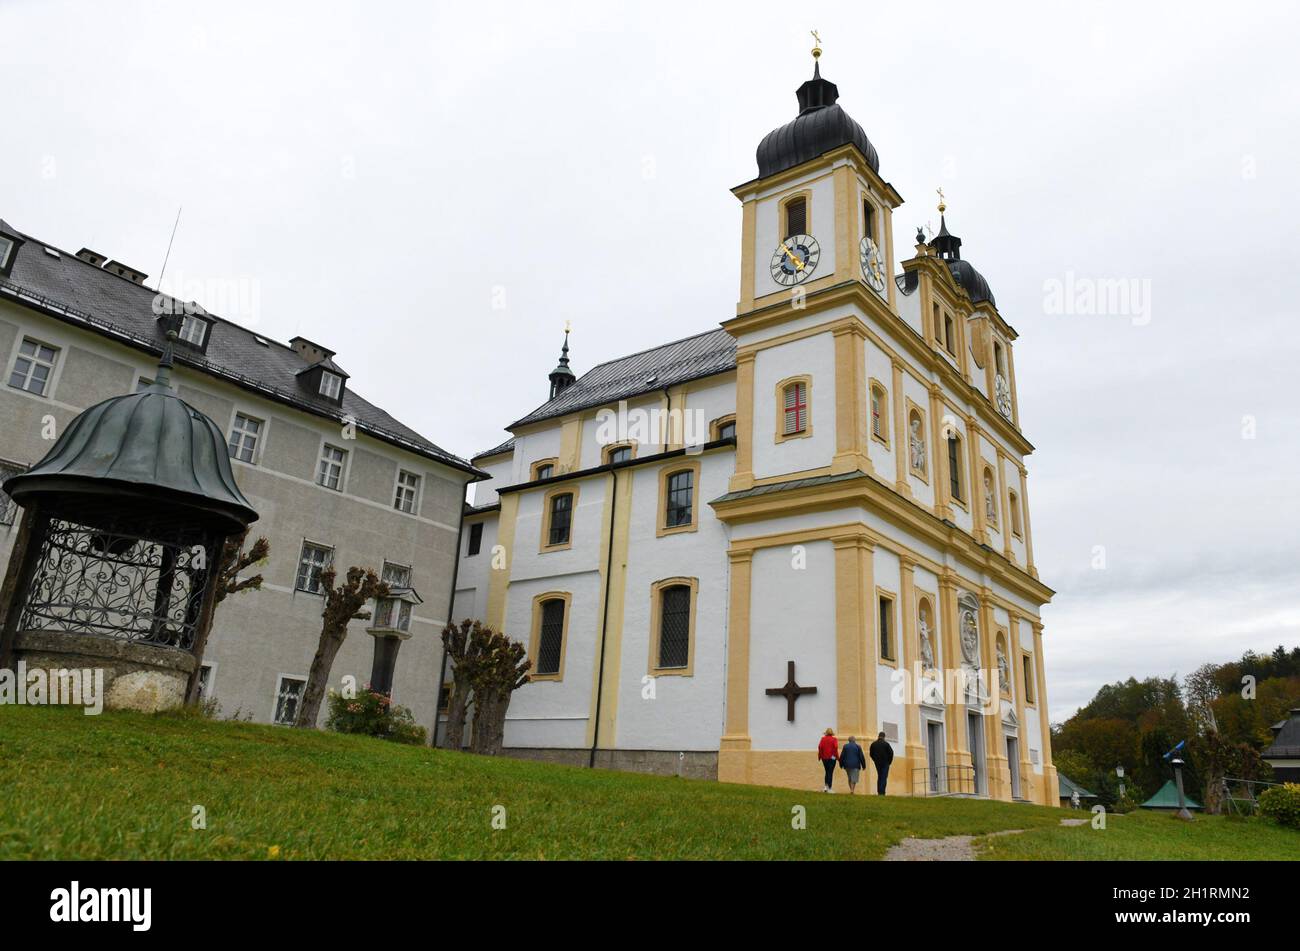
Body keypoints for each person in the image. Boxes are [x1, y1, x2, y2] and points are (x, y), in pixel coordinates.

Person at [868, 731, 894, 795]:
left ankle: (879, 791)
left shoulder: (873, 744)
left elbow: (871, 754)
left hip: (877, 763)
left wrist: (874, 760)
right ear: (884, 737)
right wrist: (889, 762)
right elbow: (891, 753)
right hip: (885, 763)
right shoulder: (886, 744)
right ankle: (882, 792)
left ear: (878, 736)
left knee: (879, 776)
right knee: (884, 777)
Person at [817, 728, 838, 792]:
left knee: (827, 772)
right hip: (832, 758)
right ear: (832, 733)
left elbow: (820, 747)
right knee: (830, 772)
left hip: (824, 758)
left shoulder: (823, 739)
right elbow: (835, 748)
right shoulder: (834, 739)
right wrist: (836, 757)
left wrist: (820, 756)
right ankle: (829, 788)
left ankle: (826, 787)